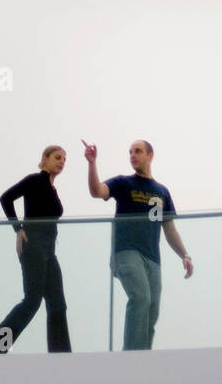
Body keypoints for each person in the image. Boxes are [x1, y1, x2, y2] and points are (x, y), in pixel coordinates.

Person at [82, 138, 192, 350]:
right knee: (141, 297)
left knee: (152, 309)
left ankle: (143, 358)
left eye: (138, 151)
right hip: (126, 253)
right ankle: (131, 357)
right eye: (130, 152)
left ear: (150, 155)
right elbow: (97, 191)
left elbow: (169, 228)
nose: (133, 155)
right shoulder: (123, 183)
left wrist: (185, 255)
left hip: (153, 259)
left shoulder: (162, 191)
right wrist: (92, 163)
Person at [0, 145, 72, 354]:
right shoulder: (35, 180)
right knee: (32, 301)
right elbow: (6, 198)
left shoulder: (52, 189)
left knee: (58, 304)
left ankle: (61, 356)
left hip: (49, 250)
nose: (62, 162)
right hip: (34, 245)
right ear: (44, 160)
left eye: (64, 159)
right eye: (57, 157)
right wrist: (17, 228)